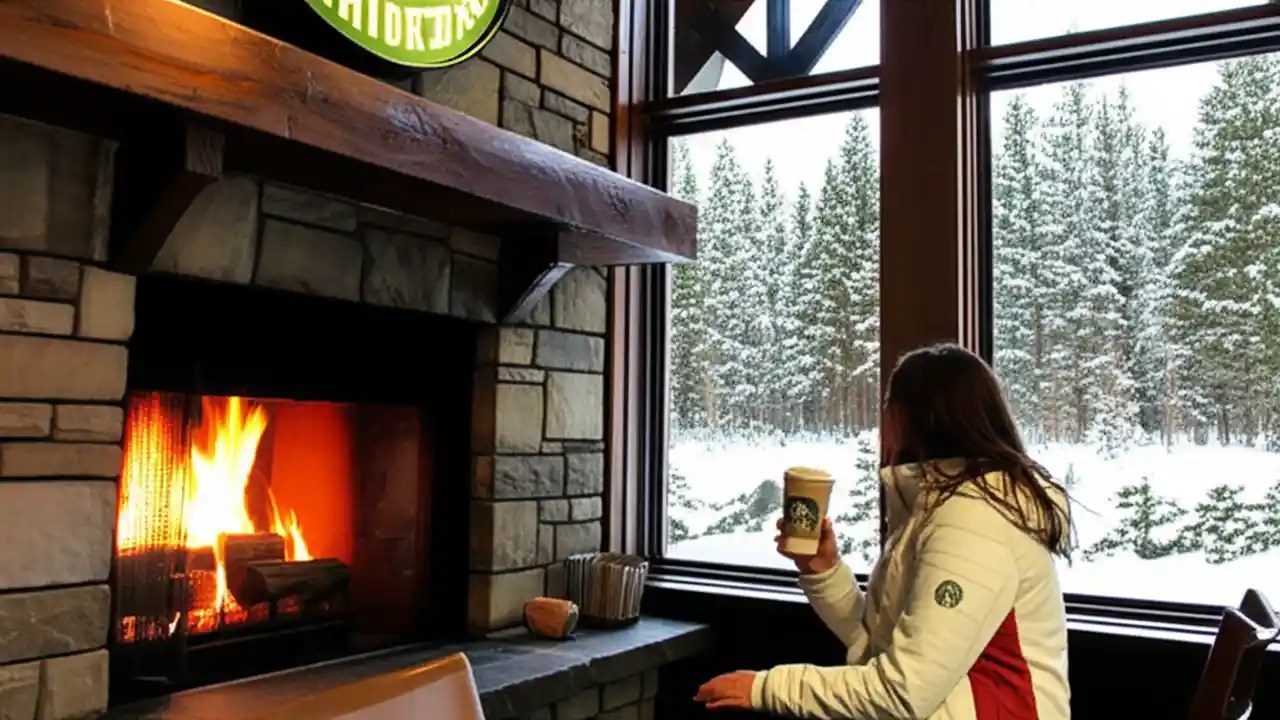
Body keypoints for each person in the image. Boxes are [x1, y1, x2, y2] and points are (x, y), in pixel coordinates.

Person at [695, 343, 1073, 719]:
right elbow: (882, 644)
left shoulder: (973, 524)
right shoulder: (937, 509)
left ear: (909, 417)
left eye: (888, 405)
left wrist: (766, 688)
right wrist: (823, 571)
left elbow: (904, 690)